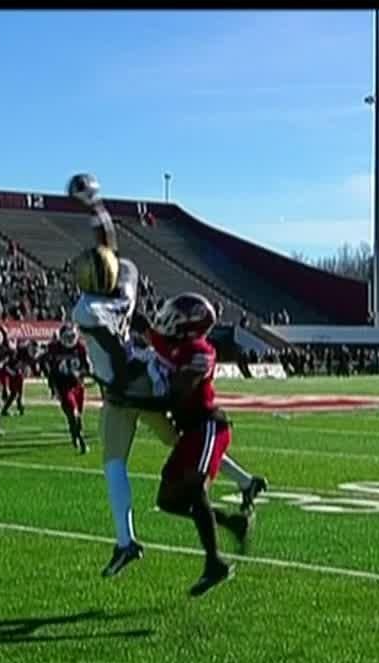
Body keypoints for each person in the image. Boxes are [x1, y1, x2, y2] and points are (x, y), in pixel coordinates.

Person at [64, 172, 267, 579]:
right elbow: (111, 250)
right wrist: (97, 209)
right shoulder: (124, 287)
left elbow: (117, 362)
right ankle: (244, 482)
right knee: (181, 442)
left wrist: (124, 391)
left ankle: (126, 541)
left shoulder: (88, 311)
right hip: (145, 377)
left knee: (114, 462)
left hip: (129, 387)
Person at [147, 293, 250, 596]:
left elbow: (177, 393)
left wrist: (140, 396)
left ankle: (214, 562)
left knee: (195, 488)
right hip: (191, 430)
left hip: (207, 427)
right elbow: (150, 337)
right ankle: (230, 522)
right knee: (168, 500)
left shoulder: (200, 351)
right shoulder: (176, 345)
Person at [44, 323, 91, 453]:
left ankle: (74, 434)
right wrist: (53, 388)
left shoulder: (80, 348)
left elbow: (87, 367)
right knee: (73, 413)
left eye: (72, 336)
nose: (70, 339)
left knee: (78, 415)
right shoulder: (54, 348)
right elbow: (50, 370)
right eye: (67, 336)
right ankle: (81, 440)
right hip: (63, 385)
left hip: (77, 385)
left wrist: (81, 373)